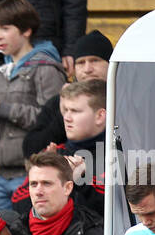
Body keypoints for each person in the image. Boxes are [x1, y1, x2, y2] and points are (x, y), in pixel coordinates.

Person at [0, 0, 66, 212]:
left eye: (5, 28)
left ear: (26, 31)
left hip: (32, 174)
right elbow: (2, 126)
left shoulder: (46, 67)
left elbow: (54, 121)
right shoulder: (2, 71)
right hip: (3, 172)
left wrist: (3, 109)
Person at [10, 79, 105, 214]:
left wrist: (80, 179)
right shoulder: (54, 154)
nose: (67, 117)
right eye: (65, 110)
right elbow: (18, 204)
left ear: (100, 116)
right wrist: (48, 172)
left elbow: (114, 209)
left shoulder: (115, 156)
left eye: (75, 111)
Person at [22, 28, 110, 157]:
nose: (87, 69)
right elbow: (31, 149)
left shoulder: (124, 99)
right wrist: (63, 112)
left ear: (110, 64)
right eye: (80, 63)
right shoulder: (57, 102)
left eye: (95, 60)